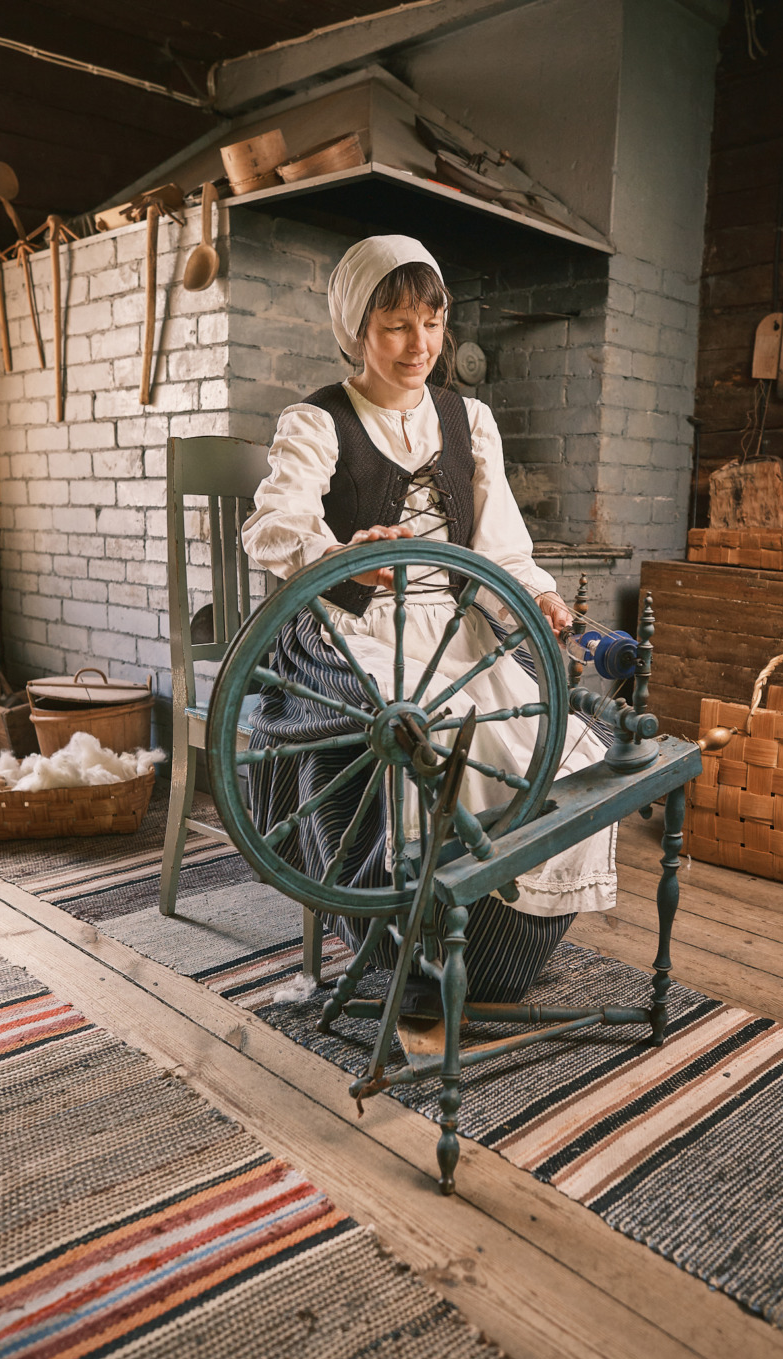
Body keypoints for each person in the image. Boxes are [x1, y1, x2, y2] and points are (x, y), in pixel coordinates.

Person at [242, 234, 617, 1005]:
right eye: (395, 326)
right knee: (424, 734)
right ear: (356, 329)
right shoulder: (316, 422)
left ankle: (493, 953)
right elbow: (273, 526)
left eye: (432, 322)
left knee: (560, 746)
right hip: (348, 629)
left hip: (455, 629)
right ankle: (406, 949)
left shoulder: (469, 419)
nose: (419, 345)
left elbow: (500, 548)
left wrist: (537, 595)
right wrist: (340, 553)